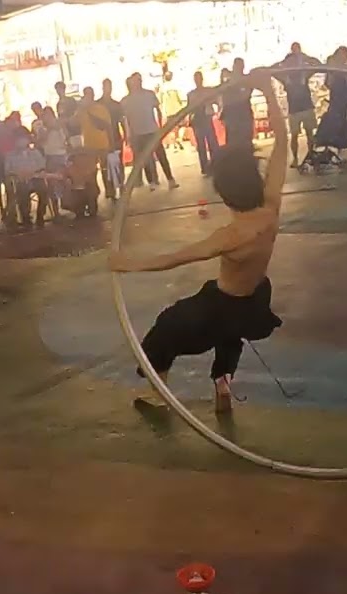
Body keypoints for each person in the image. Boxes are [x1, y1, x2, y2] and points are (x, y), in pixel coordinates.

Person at [108, 70, 285, 414]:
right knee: (231, 333)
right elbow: (282, 140)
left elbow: (177, 257)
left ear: (224, 193)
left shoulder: (232, 236)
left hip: (224, 302)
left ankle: (163, 395)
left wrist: (127, 264)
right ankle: (223, 381)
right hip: (255, 294)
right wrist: (268, 89)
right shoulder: (271, 205)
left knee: (166, 327)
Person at [122, 72, 180, 190]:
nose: (138, 82)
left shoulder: (149, 94)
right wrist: (129, 134)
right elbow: (125, 119)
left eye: (140, 80)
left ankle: (170, 178)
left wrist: (159, 125)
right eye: (136, 80)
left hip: (152, 130)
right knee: (144, 158)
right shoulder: (126, 101)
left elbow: (157, 109)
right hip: (137, 133)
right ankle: (152, 181)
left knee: (161, 155)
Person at [277, 43, 322, 168]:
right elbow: (272, 69)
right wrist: (283, 62)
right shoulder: (285, 76)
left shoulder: (304, 73)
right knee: (294, 136)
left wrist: (304, 57)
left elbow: (317, 64)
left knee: (310, 134)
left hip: (306, 107)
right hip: (294, 110)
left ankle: (311, 155)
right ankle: (295, 159)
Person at [4, 128, 50, 229]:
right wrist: (18, 174)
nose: (22, 141)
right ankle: (26, 218)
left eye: (24, 138)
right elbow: (7, 171)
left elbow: (42, 166)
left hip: (35, 178)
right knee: (22, 193)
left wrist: (33, 172)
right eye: (19, 139)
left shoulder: (35, 152)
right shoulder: (10, 155)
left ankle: (40, 215)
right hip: (20, 180)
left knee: (43, 190)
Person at [186, 71, 222, 175]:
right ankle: (205, 168)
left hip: (206, 117)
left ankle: (216, 164)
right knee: (201, 145)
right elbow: (189, 108)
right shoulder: (191, 94)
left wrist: (218, 110)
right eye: (196, 78)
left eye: (199, 78)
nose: (198, 80)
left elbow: (217, 100)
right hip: (197, 119)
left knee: (212, 143)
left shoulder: (208, 91)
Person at [100, 78, 126, 200]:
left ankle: (121, 185)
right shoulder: (98, 105)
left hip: (115, 136)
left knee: (118, 164)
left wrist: (125, 134)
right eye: (106, 87)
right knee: (105, 165)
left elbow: (121, 120)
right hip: (102, 139)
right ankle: (109, 189)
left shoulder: (116, 105)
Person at [220, 58, 255, 148]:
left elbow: (247, 93)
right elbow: (224, 95)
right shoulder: (229, 80)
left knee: (245, 139)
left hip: (243, 111)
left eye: (241, 66)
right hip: (233, 113)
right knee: (233, 140)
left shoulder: (246, 79)